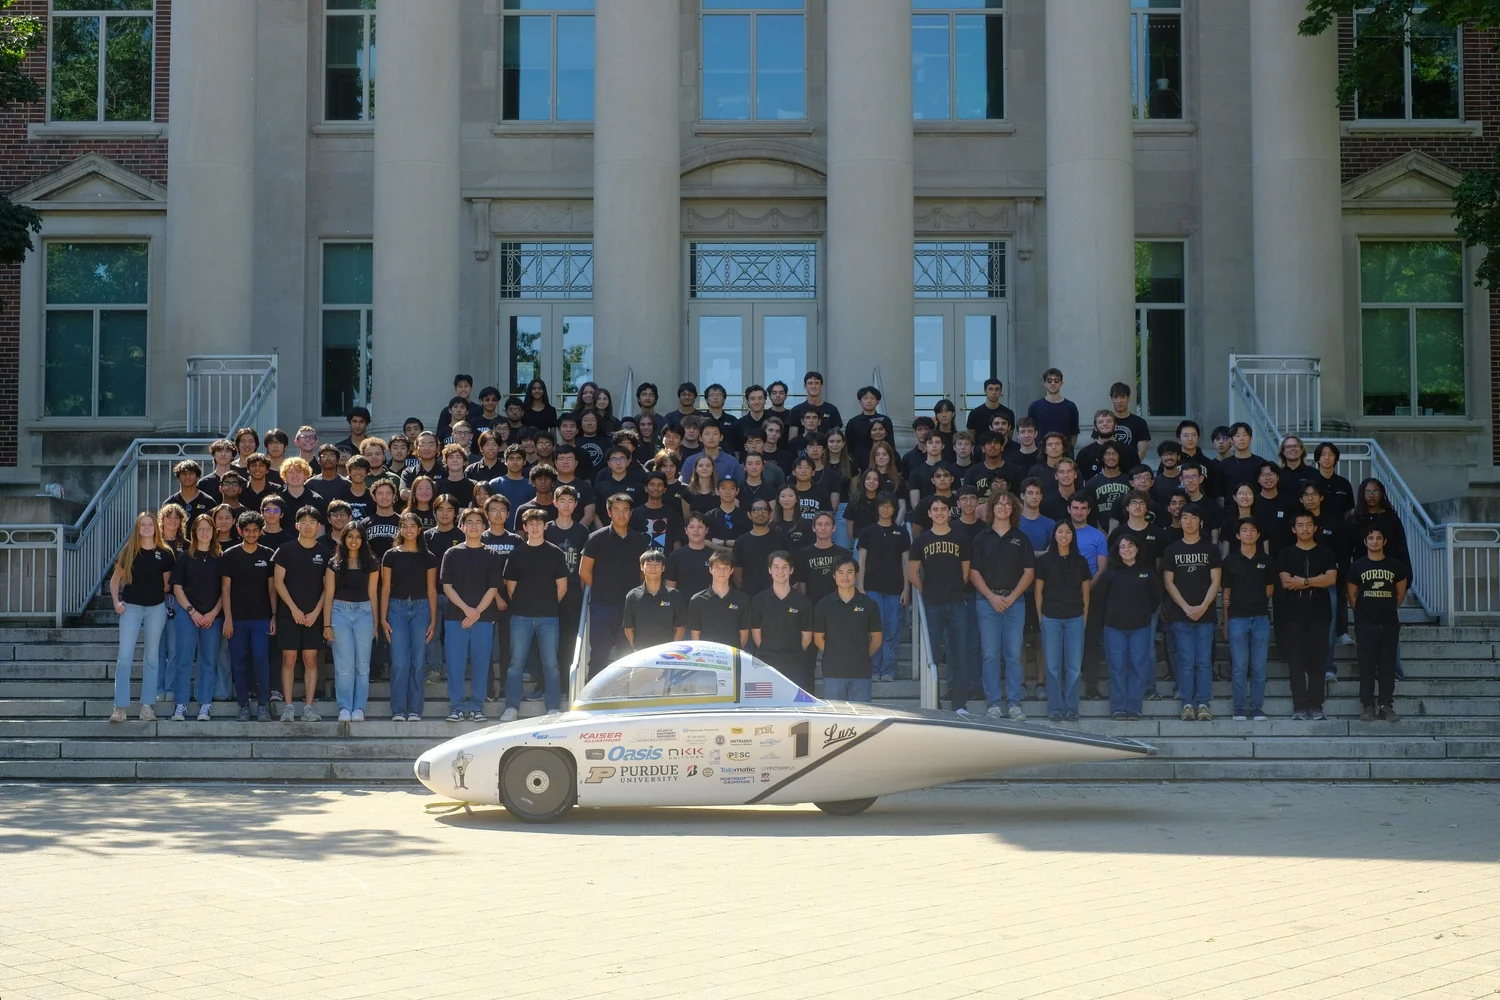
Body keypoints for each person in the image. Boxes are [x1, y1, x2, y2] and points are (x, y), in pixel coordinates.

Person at [970, 490, 1036, 721]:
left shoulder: (1021, 538)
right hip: (988, 603)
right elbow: (973, 572)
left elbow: (1029, 571)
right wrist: (991, 597)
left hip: (1014, 603)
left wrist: (1013, 596)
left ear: (1013, 510)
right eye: (999, 504)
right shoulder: (981, 538)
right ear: (992, 508)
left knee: (1014, 654)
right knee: (989, 654)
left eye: (1008, 505)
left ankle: (1015, 703)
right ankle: (994, 705)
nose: (1003, 508)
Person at [501, 508, 570, 721]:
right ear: (524, 527)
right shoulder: (517, 553)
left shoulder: (555, 553)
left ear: (545, 526)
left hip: (549, 617)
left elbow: (562, 586)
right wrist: (525, 605)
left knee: (551, 663)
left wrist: (547, 605)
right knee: (516, 663)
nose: (535, 527)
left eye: (539, 523)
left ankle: (552, 707)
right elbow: (510, 587)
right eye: (530, 523)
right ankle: (511, 706)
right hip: (520, 617)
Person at [908, 495, 973, 713]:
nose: (939, 513)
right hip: (933, 604)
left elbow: (965, 573)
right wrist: (926, 591)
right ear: (929, 514)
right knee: (932, 654)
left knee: (960, 654)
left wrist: (952, 587)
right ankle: (934, 702)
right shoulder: (921, 540)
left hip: (956, 602)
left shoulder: (961, 538)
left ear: (949, 511)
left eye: (943, 509)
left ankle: (959, 704)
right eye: (935, 509)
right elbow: (912, 572)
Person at [108, 512, 174, 723]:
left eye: (150, 524)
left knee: (152, 657)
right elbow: (115, 580)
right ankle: (120, 708)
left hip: (156, 609)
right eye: (142, 525)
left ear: (156, 527)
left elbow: (167, 585)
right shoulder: (129, 551)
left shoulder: (165, 553)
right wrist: (116, 602)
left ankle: (147, 706)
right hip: (132, 608)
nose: (146, 528)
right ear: (137, 529)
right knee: (125, 657)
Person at [441, 506, 504, 722]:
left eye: (478, 522)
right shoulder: (451, 553)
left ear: (484, 526)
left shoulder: (492, 554)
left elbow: (493, 587)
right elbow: (447, 586)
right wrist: (467, 610)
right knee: (455, 664)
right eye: (469, 522)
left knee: (481, 663)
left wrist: (476, 612)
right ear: (462, 526)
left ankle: (477, 706)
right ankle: (456, 706)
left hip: (484, 619)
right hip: (455, 618)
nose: (474, 526)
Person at [580, 494, 651, 677]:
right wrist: (603, 588)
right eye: (616, 510)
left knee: (628, 656)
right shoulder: (596, 538)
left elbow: (644, 572)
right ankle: (593, 700)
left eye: (625, 510)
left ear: (631, 513)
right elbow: (584, 571)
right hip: (602, 606)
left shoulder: (640, 540)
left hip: (631, 607)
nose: (621, 515)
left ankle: (625, 700)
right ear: (609, 512)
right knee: (599, 655)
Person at [1277, 511, 1339, 721]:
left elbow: (1330, 578)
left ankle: (1316, 705)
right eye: (1300, 525)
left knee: (1318, 661)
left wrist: (1303, 582)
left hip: (1320, 612)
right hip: (1293, 613)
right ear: (1294, 529)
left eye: (1308, 524)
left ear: (1315, 528)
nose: (1304, 528)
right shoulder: (1285, 554)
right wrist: (1315, 580)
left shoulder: (1326, 553)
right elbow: (1286, 581)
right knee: (1295, 660)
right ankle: (1299, 706)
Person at [1092, 534, 1161, 721]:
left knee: (1138, 667)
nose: (1127, 550)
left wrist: (1143, 612)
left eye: (1131, 546)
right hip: (1114, 628)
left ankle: (1134, 708)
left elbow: (1156, 599)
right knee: (1117, 668)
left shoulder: (1147, 572)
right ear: (1118, 551)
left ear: (1137, 549)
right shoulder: (1110, 574)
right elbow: (1099, 599)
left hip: (1141, 627)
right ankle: (1118, 708)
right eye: (1123, 547)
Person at [1162, 503, 1221, 721]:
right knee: (1185, 660)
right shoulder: (1172, 549)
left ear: (1201, 522)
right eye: (1185, 517)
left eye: (1193, 517)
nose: (1188, 521)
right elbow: (1168, 582)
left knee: (1204, 661)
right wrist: (1186, 607)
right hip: (1180, 614)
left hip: (1204, 614)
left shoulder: (1211, 549)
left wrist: (1203, 606)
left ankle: (1203, 702)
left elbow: (1216, 581)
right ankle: (1187, 702)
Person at [1348, 526, 1409, 723]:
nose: (1374, 541)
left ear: (1384, 542)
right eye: (1371, 538)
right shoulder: (1357, 566)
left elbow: (1400, 595)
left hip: (1389, 623)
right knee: (1366, 666)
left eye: (1378, 538)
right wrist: (1366, 612)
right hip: (1365, 623)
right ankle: (1367, 705)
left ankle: (1385, 705)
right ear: (1365, 542)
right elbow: (1352, 595)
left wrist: (1386, 608)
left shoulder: (1396, 566)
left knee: (1387, 665)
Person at [273, 507, 329, 722]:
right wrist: (294, 609)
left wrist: (316, 612)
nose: (308, 526)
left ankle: (308, 707)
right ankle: (288, 707)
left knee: (311, 659)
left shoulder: (324, 553)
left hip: (314, 616)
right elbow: (278, 582)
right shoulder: (286, 550)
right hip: (289, 615)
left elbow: (328, 588)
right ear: (297, 525)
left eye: (312, 522)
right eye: (303, 522)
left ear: (319, 526)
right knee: (289, 659)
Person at [382, 512, 437, 722]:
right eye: (404, 525)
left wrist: (433, 619)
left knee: (418, 662)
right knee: (399, 663)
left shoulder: (428, 557)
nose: (408, 529)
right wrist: (383, 618)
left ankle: (415, 709)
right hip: (396, 609)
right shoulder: (390, 555)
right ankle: (398, 709)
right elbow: (385, 588)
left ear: (419, 529)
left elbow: (432, 590)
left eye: (412, 525)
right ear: (400, 529)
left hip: (421, 609)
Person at [220, 511, 275, 721]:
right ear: (240, 531)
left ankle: (263, 705)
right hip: (237, 620)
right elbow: (225, 589)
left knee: (261, 659)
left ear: (261, 531)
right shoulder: (230, 555)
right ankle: (243, 705)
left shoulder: (268, 554)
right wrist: (228, 618)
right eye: (247, 530)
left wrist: (274, 616)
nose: (251, 534)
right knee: (239, 661)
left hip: (261, 618)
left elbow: (272, 590)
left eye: (255, 530)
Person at [1034, 520, 1090, 723]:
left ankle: (1071, 708)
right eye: (1060, 531)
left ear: (1072, 535)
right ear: (1054, 535)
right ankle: (1055, 708)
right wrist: (1041, 618)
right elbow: (1038, 593)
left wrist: (1083, 620)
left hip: (1075, 618)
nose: (1064, 535)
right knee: (1052, 666)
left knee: (1074, 667)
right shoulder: (1044, 561)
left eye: (1068, 532)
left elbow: (1086, 595)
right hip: (1051, 618)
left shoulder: (1081, 561)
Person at [168, 513, 222, 723]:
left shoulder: (220, 557)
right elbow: (177, 587)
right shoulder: (185, 557)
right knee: (183, 659)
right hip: (187, 614)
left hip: (212, 616)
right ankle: (180, 704)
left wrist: (213, 613)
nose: (205, 532)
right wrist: (192, 611)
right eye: (200, 529)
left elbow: (224, 590)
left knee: (209, 661)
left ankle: (205, 705)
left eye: (208, 529)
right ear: (194, 532)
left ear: (213, 532)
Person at [322, 521, 378, 723]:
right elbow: (328, 595)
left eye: (358, 537)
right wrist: (326, 625)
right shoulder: (334, 563)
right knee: (343, 665)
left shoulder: (371, 563)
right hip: (339, 613)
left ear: (363, 540)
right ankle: (345, 707)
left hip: (364, 613)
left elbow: (373, 594)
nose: (354, 541)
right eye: (350, 536)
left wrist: (376, 623)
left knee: (362, 665)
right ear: (343, 538)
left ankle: (359, 708)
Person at [1220, 518, 1274, 722]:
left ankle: (1257, 707)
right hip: (1237, 619)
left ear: (1258, 535)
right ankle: (1240, 707)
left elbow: (1270, 589)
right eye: (1244, 530)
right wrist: (1225, 621)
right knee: (1240, 666)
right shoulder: (1230, 562)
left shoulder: (1267, 561)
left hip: (1260, 618)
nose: (1249, 534)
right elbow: (1226, 594)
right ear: (1237, 535)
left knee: (1259, 666)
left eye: (1253, 530)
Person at [812, 556, 883, 702]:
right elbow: (818, 638)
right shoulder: (823, 605)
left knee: (862, 721)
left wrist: (861, 654)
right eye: (840, 572)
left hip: (861, 673)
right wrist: (836, 655)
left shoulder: (869, 604)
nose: (845, 576)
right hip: (833, 673)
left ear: (856, 575)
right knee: (836, 720)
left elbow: (877, 639)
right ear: (834, 576)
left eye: (849, 572)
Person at [856, 493, 909, 682]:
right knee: (873, 630)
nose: (886, 509)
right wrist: (860, 587)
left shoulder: (902, 532)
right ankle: (874, 668)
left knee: (893, 630)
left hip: (896, 589)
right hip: (871, 588)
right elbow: (861, 560)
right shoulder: (868, 531)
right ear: (877, 508)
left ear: (895, 509)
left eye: (889, 506)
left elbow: (905, 562)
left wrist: (906, 588)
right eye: (882, 505)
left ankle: (889, 670)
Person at [622, 550, 687, 650]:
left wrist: (671, 650)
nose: (653, 568)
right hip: (642, 654)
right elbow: (628, 629)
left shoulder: (674, 595)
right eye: (648, 564)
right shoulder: (633, 596)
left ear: (663, 568)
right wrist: (636, 649)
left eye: (657, 564)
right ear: (641, 567)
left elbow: (680, 629)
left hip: (666, 655)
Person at [687, 551, 751, 647]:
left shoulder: (743, 599)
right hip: (706, 657)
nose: (722, 572)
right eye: (717, 567)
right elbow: (695, 636)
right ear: (710, 569)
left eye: (726, 568)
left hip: (731, 657)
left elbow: (744, 636)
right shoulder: (697, 600)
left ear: (732, 570)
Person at [732, 499, 786, 597]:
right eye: (755, 510)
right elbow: (737, 575)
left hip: (777, 597)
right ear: (749, 515)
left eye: (764, 509)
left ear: (770, 514)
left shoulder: (781, 539)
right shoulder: (741, 542)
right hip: (749, 598)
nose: (760, 513)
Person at [797, 511, 850, 609]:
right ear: (813, 528)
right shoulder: (804, 553)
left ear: (833, 528)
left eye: (827, 524)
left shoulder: (843, 553)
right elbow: (801, 582)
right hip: (813, 606)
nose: (823, 528)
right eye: (819, 524)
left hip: (838, 606)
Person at [1026, 368, 1080, 449]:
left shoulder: (1070, 406)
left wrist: (1069, 450)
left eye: (1056, 380)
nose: (1053, 383)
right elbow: (1029, 430)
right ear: (1044, 383)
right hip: (1040, 452)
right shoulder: (1035, 406)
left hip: (1064, 453)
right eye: (1049, 381)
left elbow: (1074, 432)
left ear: (1061, 383)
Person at [666, 512, 714, 600]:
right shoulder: (675, 556)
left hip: (709, 608)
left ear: (706, 530)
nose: (696, 530)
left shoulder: (715, 556)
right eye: (691, 527)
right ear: (685, 530)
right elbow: (670, 588)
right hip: (682, 609)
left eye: (700, 527)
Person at [845, 385, 894, 469]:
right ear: (860, 401)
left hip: (882, 463)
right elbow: (847, 447)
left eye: (872, 398)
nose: (869, 401)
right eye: (865, 398)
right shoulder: (853, 422)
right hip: (859, 464)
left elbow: (891, 443)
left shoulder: (885, 420)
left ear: (878, 401)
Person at [1108, 382, 1152, 461]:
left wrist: (1132, 466)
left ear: (1128, 398)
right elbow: (1097, 446)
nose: (1119, 401)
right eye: (1116, 397)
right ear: (1112, 399)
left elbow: (1142, 451)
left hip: (1131, 469)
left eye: (1122, 397)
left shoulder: (1139, 422)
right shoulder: (1104, 422)